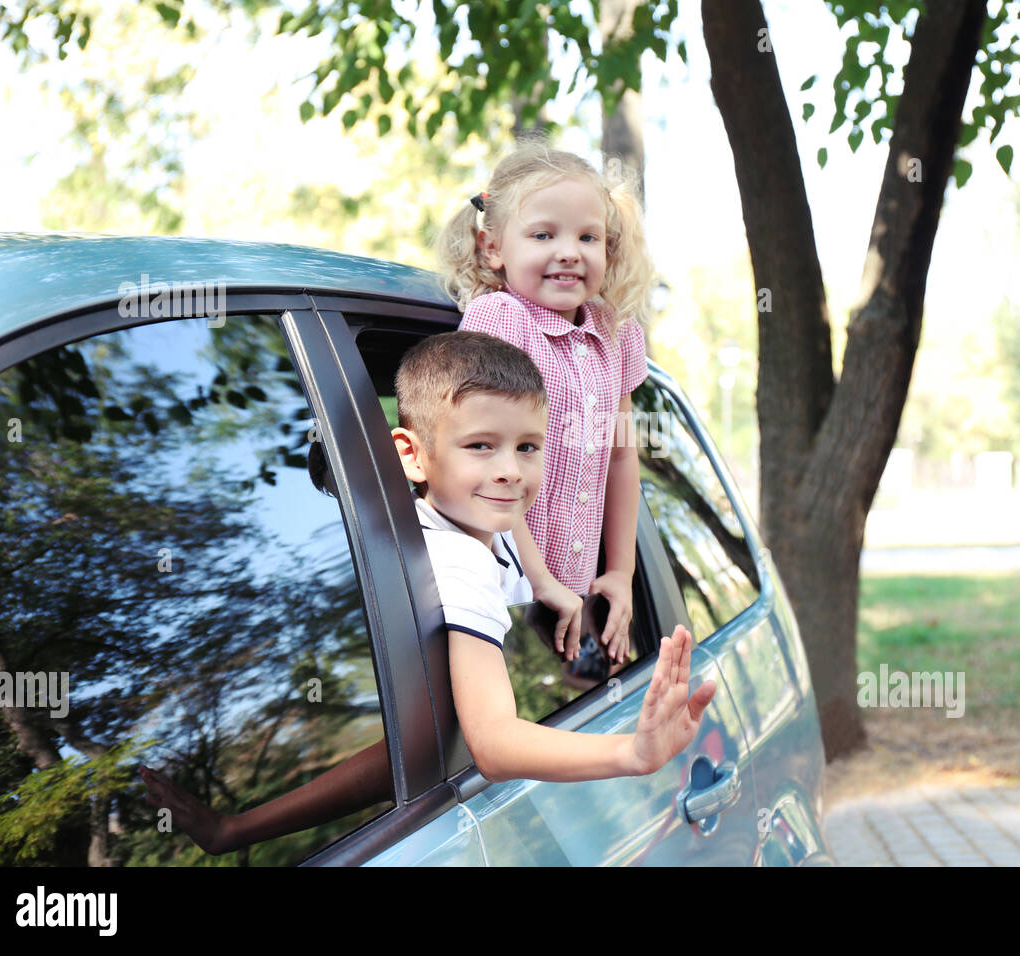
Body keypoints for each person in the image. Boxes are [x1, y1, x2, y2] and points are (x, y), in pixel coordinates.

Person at [141, 332, 715, 854]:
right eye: (481, 446)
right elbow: (489, 741)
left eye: (529, 447)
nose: (512, 471)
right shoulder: (459, 562)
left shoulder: (468, 516)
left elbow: (420, 737)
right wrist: (629, 754)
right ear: (411, 455)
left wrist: (544, 581)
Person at [439, 137, 654, 671]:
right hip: (509, 591)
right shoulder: (501, 322)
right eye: (543, 234)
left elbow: (622, 455)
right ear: (493, 248)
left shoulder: (616, 332)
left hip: (576, 595)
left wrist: (622, 572)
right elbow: (492, 464)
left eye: (588, 236)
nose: (568, 251)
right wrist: (539, 579)